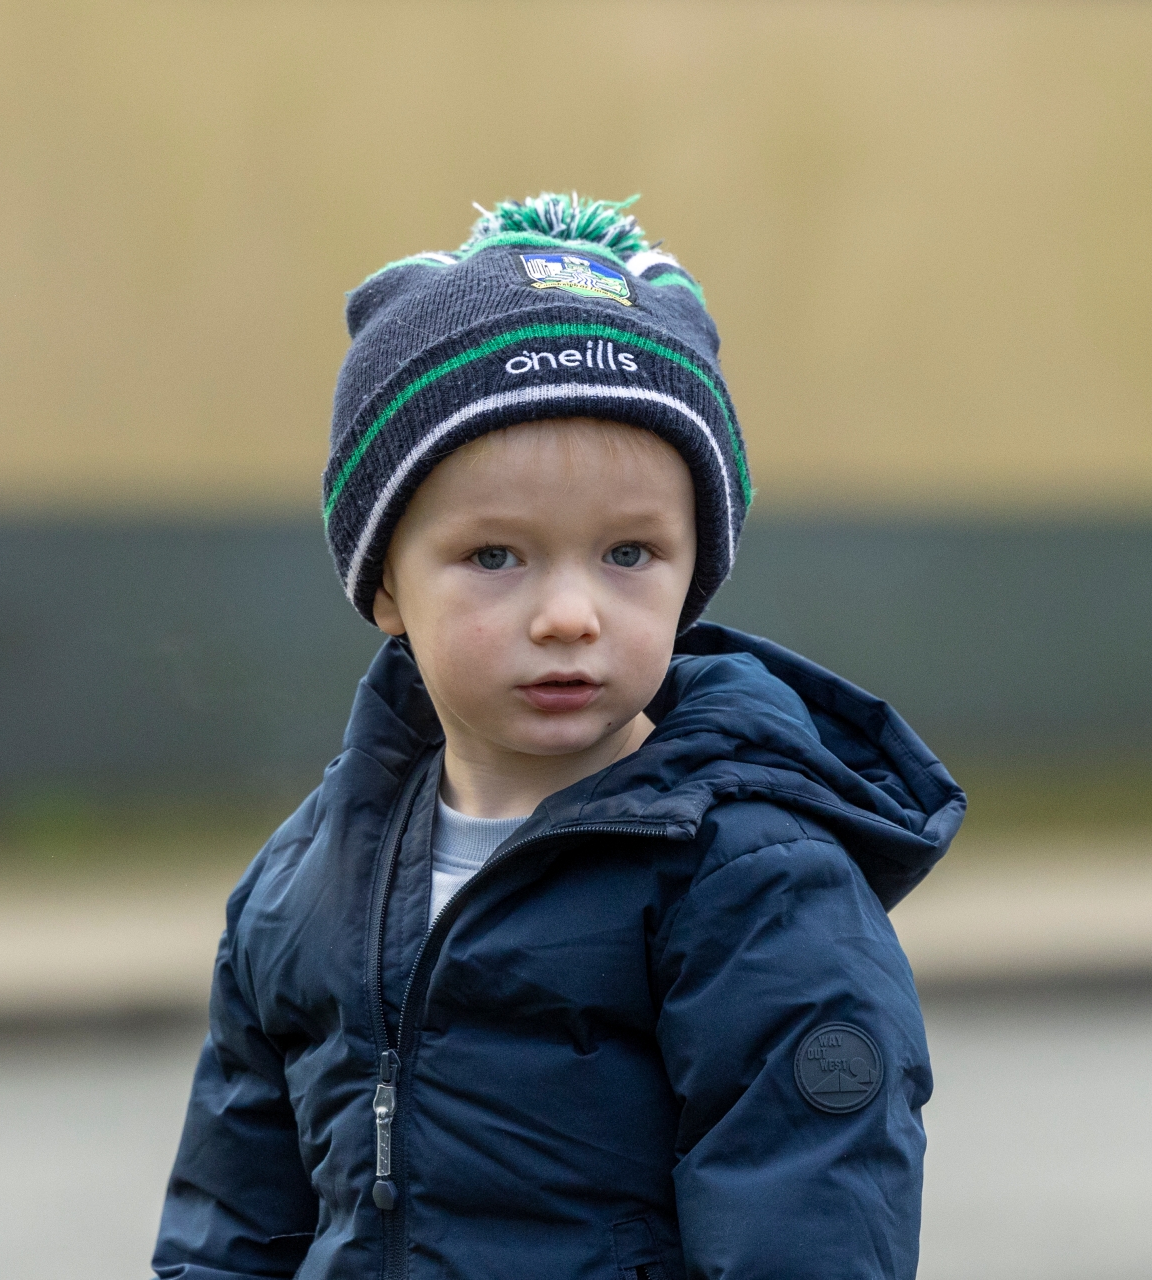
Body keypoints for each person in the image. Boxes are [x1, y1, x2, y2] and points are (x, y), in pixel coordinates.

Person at [151, 193, 965, 1279]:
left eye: (629, 553)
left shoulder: (756, 886)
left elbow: (811, 1223)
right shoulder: (304, 884)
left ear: (692, 571)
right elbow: (228, 1226)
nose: (571, 613)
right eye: (497, 556)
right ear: (386, 584)